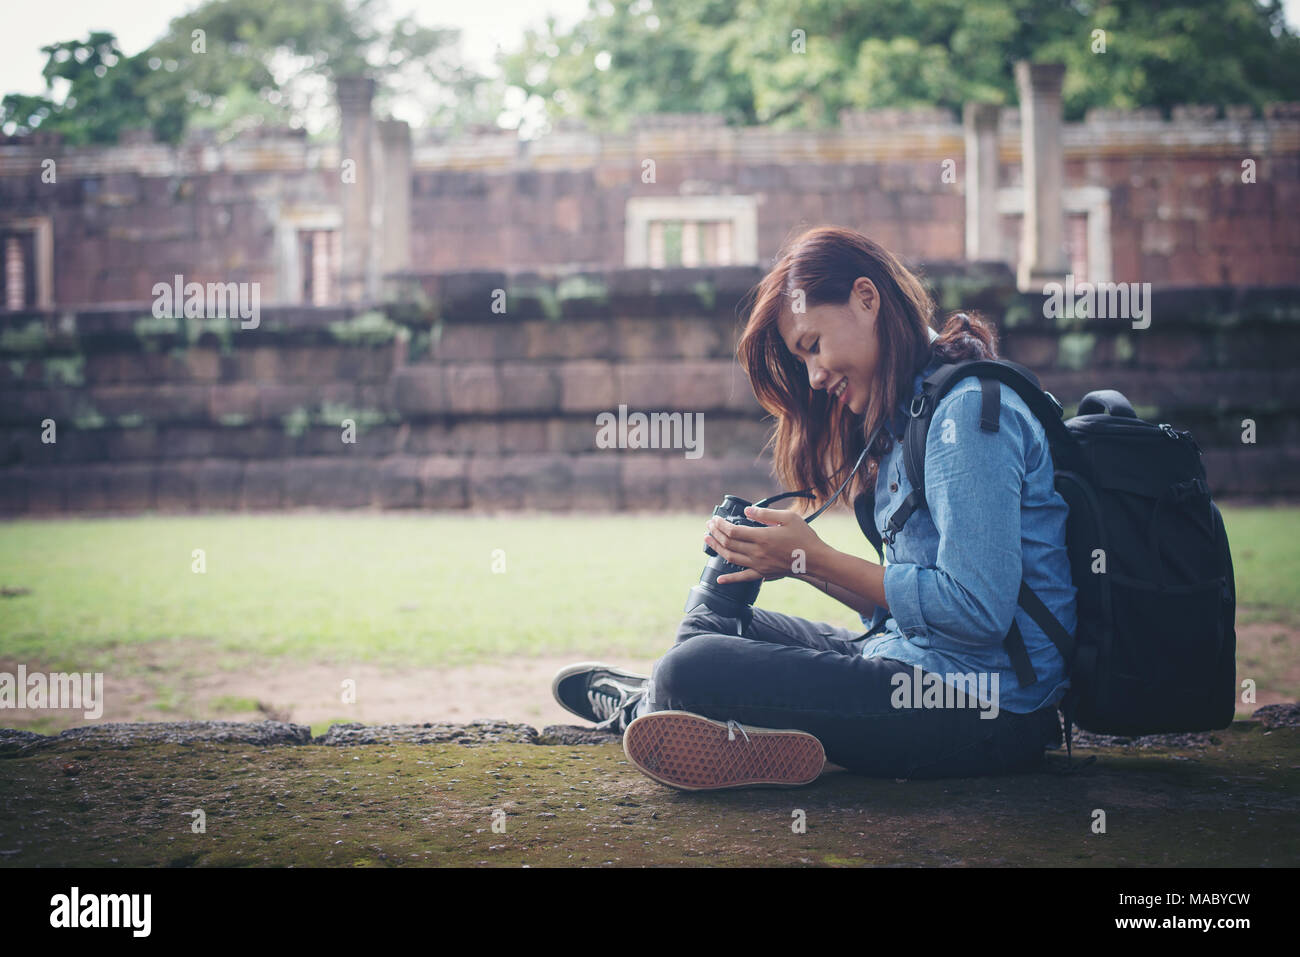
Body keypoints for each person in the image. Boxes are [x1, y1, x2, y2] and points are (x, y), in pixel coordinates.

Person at [553, 226, 1075, 790]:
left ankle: (648, 703)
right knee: (724, 628)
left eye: (812, 346)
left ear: (866, 299)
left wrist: (816, 559)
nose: (815, 376)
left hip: (987, 712)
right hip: (918, 663)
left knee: (692, 667)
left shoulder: (965, 415)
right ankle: (670, 705)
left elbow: (977, 610)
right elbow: (907, 605)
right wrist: (791, 561)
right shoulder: (914, 414)